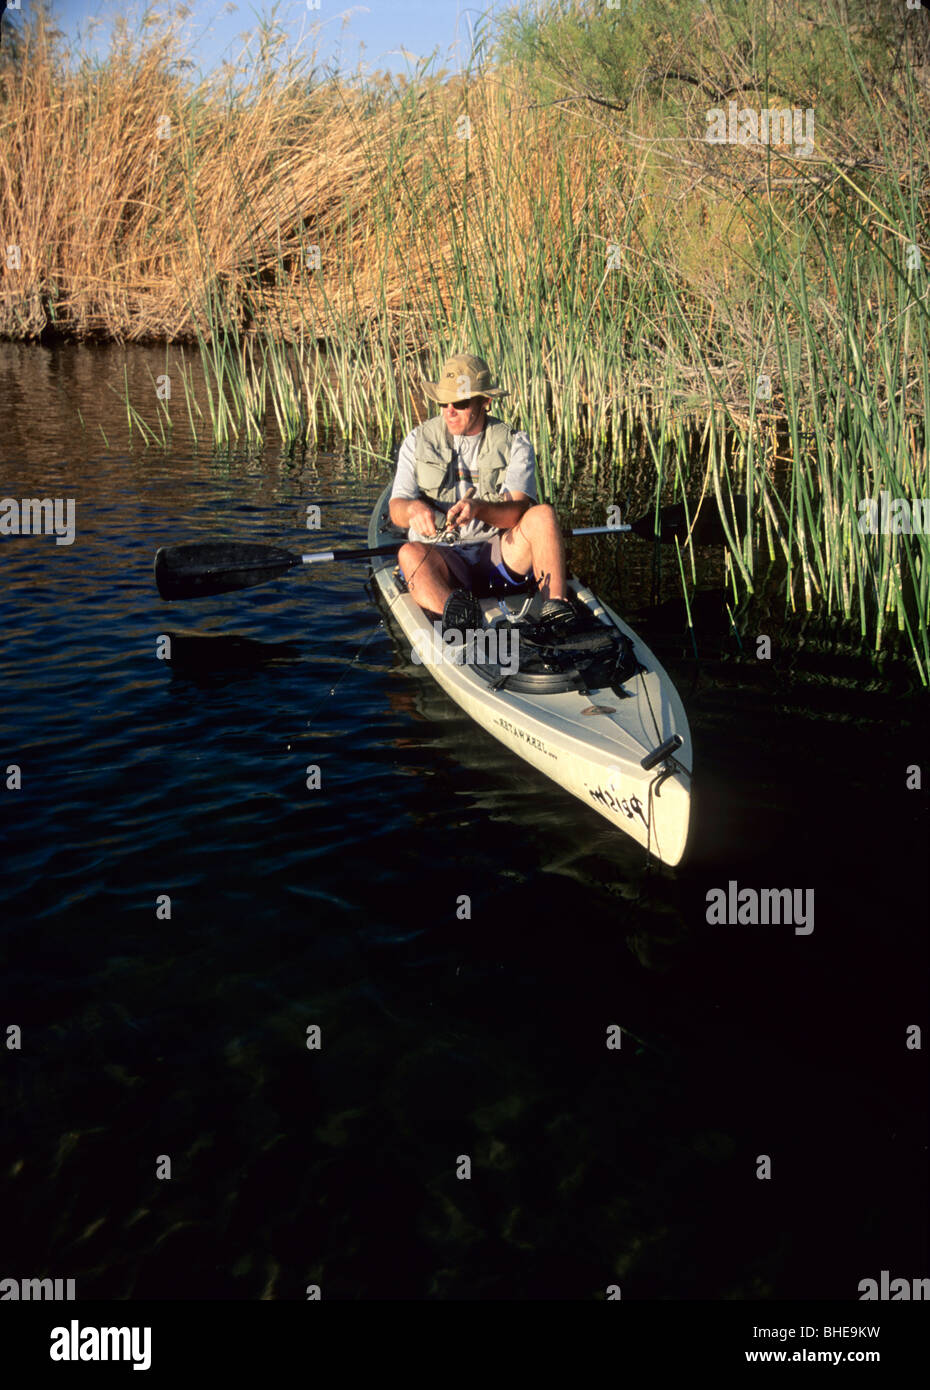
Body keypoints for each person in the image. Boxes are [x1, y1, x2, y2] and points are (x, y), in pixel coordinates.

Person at [389, 352, 574, 636]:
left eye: (460, 403)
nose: (449, 410)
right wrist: (412, 510)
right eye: (443, 402)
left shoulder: (515, 442)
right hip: (443, 560)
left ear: (486, 402)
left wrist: (478, 509)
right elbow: (396, 508)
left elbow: (516, 512)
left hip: (498, 557)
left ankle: (556, 610)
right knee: (408, 553)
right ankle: (461, 620)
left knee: (543, 515)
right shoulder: (416, 440)